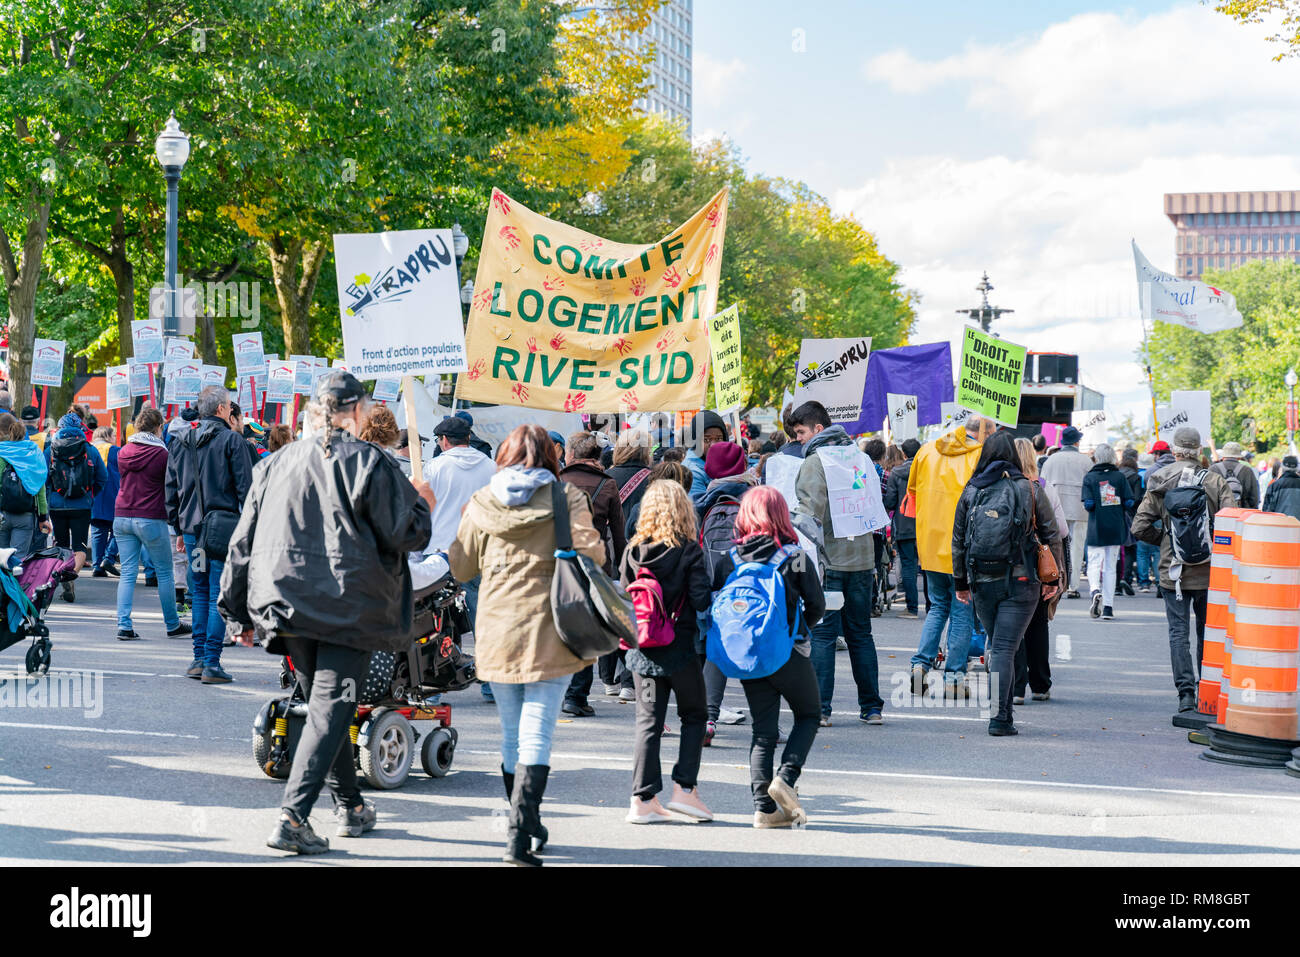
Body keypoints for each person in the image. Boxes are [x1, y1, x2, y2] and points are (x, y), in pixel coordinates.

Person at [222, 371, 433, 855]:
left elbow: (243, 538)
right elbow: (407, 534)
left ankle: (351, 805)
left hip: (287, 601)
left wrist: (237, 612)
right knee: (331, 706)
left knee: (327, 708)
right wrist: (423, 505)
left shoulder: (277, 461)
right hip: (344, 603)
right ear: (357, 411)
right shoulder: (371, 463)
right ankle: (293, 816)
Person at [450, 424, 604, 866]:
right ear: (552, 459)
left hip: (497, 628)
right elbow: (595, 555)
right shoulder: (565, 497)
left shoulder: (482, 502)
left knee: (510, 734)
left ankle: (526, 823)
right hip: (551, 628)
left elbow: (460, 567)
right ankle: (522, 832)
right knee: (537, 732)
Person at [711, 486, 826, 827]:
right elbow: (817, 605)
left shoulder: (727, 557)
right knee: (808, 714)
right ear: (781, 514)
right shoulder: (796, 555)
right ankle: (786, 778)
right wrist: (797, 628)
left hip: (749, 655)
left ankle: (764, 809)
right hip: (787, 652)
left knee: (763, 731)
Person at [952, 429, 1062, 736]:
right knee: (1004, 647)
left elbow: (958, 539)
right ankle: (999, 717)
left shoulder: (971, 489)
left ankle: (1004, 712)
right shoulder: (1029, 488)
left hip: (982, 579)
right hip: (1022, 578)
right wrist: (1054, 578)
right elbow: (1052, 534)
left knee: (998, 643)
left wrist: (960, 581)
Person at [619, 480, 714, 824]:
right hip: (680, 648)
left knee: (648, 723)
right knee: (694, 715)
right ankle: (684, 790)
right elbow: (702, 599)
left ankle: (642, 799)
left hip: (642, 651)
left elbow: (624, 597)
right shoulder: (689, 550)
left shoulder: (632, 550)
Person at [789, 400, 882, 725]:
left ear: (817, 429)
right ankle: (872, 708)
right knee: (861, 634)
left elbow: (808, 514)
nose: (799, 438)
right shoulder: (862, 458)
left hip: (829, 563)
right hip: (863, 560)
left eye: (801, 432)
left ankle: (822, 710)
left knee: (824, 635)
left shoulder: (816, 462)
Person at [1131, 426, 1236, 713]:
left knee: (1178, 632)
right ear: (1199, 450)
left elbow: (1138, 526)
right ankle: (1208, 691)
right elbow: (1233, 523)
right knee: (1207, 632)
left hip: (1172, 571)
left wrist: (1165, 540)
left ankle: (1185, 694)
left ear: (1175, 451)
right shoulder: (1215, 481)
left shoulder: (1159, 481)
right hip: (1209, 571)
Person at [166, 385, 256, 684]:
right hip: (223, 528)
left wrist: (178, 527)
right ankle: (211, 661)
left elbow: (172, 488)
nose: (232, 410)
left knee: (201, 592)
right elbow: (247, 490)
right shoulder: (233, 440)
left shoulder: (180, 440)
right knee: (217, 594)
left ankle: (199, 658)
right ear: (220, 410)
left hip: (192, 528)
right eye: (230, 406)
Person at [906, 415, 986, 698]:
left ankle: (920, 665)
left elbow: (912, 494)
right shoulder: (979, 455)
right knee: (962, 610)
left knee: (938, 607)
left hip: (930, 543)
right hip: (961, 546)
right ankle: (954, 678)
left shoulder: (926, 451)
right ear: (983, 432)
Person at [422, 414, 497, 702]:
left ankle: (435, 686)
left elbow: (422, 508)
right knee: (482, 618)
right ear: (469, 439)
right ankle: (490, 684)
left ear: (443, 441)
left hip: (441, 553)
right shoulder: (491, 467)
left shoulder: (435, 466)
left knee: (438, 621)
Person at [696, 438, 760, 743]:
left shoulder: (701, 502)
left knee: (716, 652)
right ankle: (767, 722)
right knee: (757, 652)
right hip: (746, 587)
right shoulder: (754, 500)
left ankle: (707, 718)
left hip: (711, 588)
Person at [560, 431, 628, 716]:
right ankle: (576, 696)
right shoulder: (608, 485)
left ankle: (561, 691)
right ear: (598, 457)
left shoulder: (557, 480)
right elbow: (619, 535)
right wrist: (623, 570)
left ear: (572, 454)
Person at [113, 408, 190, 641]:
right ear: (159, 428)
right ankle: (172, 624)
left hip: (122, 514)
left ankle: (123, 625)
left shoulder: (124, 451)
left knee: (127, 573)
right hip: (151, 516)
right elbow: (172, 487)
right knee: (165, 572)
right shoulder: (162, 455)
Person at [1012, 438, 1066, 704]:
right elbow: (1061, 531)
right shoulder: (1044, 487)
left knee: (1013, 625)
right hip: (1040, 563)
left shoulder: (1003, 487)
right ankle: (1041, 685)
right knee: (1037, 623)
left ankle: (1017, 686)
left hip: (1012, 563)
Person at [45, 410, 108, 601]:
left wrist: (50, 500)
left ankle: (64, 576)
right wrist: (89, 495)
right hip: (82, 505)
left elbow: (45, 479)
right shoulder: (90, 449)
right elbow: (102, 478)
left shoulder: (51, 450)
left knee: (61, 544)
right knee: (80, 546)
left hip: (57, 504)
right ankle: (70, 575)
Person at [1080, 443, 1135, 622]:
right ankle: (1108, 608)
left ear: (1096, 457)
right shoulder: (1119, 477)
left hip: (1097, 527)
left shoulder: (1090, 477)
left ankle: (1095, 590)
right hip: (1115, 526)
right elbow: (1129, 502)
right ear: (1112, 457)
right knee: (1111, 568)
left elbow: (1088, 504)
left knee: (1094, 563)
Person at [1039, 426, 1094, 598]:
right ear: (1077, 442)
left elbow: (1042, 485)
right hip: (1080, 508)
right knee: (1077, 548)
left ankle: (1055, 578)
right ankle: (1073, 585)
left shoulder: (1051, 460)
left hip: (1055, 508)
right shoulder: (1086, 461)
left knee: (1056, 546)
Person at [0, 413, 50, 558]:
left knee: (0, 560)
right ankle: (15, 581)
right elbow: (40, 489)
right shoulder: (34, 453)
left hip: (2, 513)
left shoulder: (1, 453)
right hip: (25, 515)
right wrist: (43, 518)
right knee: (18, 560)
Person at [882, 437, 921, 618]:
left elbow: (890, 502)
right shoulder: (928, 470)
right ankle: (931, 606)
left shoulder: (896, 473)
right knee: (927, 568)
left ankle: (912, 608)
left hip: (904, 526)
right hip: (925, 524)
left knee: (908, 565)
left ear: (904, 454)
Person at [609, 429, 654, 542]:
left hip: (612, 545)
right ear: (646, 451)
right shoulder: (654, 479)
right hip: (642, 547)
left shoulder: (605, 477)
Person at [90, 425, 121, 578]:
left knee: (98, 531)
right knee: (119, 530)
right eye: (113, 436)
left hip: (93, 494)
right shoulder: (115, 450)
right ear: (108, 436)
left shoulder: (88, 449)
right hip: (113, 494)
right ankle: (108, 557)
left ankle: (97, 566)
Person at [683, 410, 727, 500]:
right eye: (706, 440)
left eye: (719, 438)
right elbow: (699, 508)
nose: (713, 445)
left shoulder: (725, 462)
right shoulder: (692, 471)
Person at [1117, 447, 1143, 595]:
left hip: (1115, 515)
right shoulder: (1136, 477)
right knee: (1129, 549)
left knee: (1116, 549)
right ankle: (1126, 578)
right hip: (1131, 516)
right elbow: (1137, 498)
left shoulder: (1116, 475)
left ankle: (1115, 583)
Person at [1212, 441, 1260, 510]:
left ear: (1223, 456)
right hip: (1242, 513)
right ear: (1239, 457)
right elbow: (1254, 498)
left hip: (1217, 514)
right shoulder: (1247, 471)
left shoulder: (1213, 469)